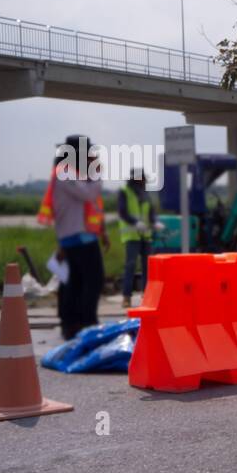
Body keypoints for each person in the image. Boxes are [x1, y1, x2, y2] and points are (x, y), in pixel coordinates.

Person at [51, 134, 107, 340]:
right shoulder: (66, 174)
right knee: (92, 280)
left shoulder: (70, 173)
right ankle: (85, 323)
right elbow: (89, 195)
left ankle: (73, 323)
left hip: (76, 237)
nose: (92, 155)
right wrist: (97, 173)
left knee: (75, 282)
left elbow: (89, 205)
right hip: (78, 238)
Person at [117, 166, 156, 306]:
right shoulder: (125, 192)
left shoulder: (145, 193)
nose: (144, 181)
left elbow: (150, 211)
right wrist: (135, 222)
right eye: (143, 178)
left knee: (148, 267)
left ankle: (146, 296)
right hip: (132, 234)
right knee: (130, 266)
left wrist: (154, 223)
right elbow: (123, 212)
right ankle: (126, 297)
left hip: (145, 234)